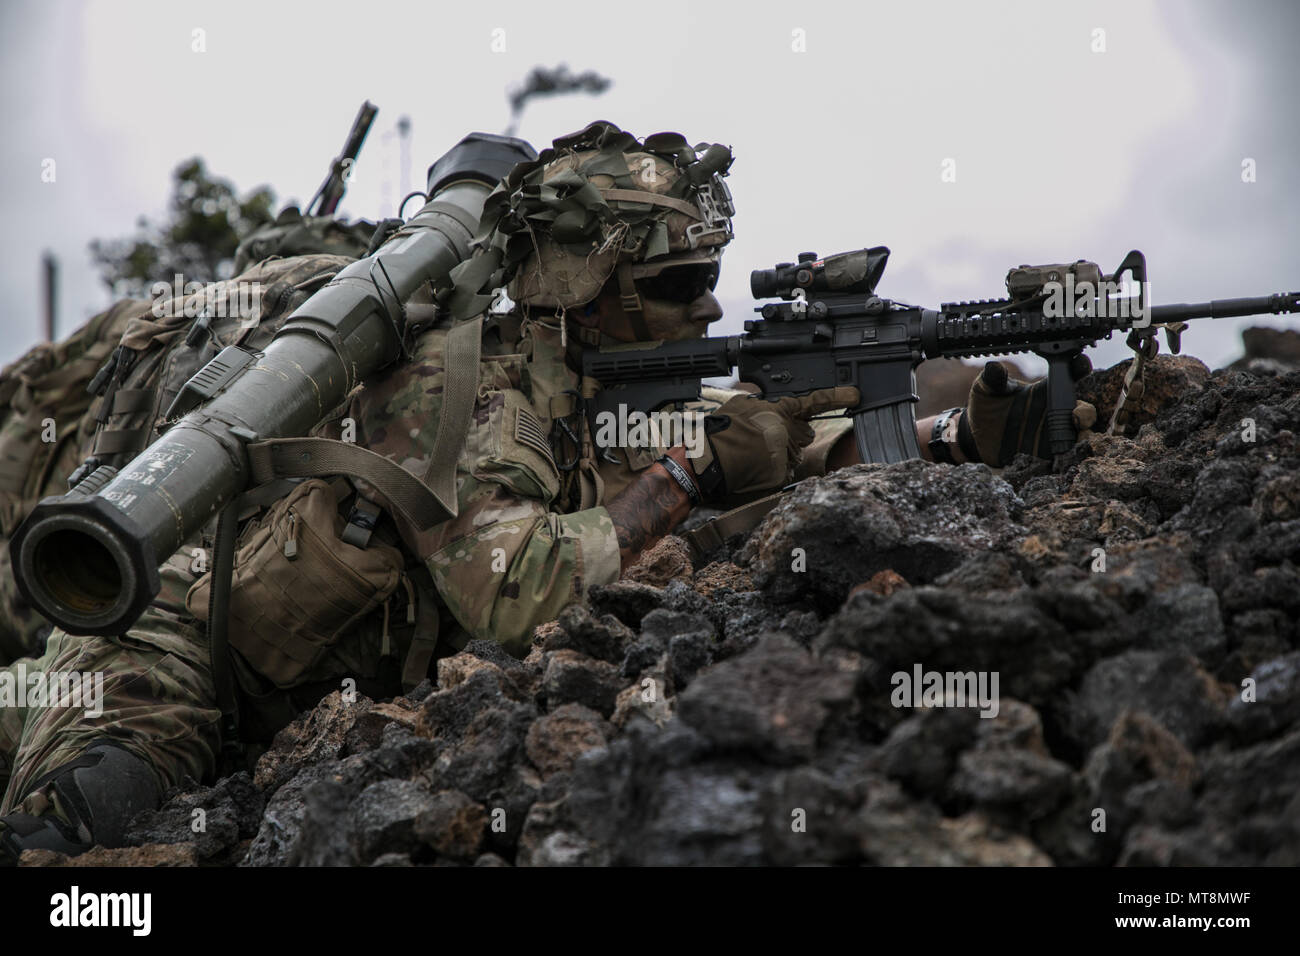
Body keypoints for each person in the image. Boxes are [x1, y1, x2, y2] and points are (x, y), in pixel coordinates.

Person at [0, 121, 1091, 861]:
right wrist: (695, 467)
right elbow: (512, 591)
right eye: (674, 285)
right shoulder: (467, 389)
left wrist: (961, 431)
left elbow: (800, 459)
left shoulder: (608, 382)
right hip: (168, 649)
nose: (706, 311)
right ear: (588, 286)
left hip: (305, 701)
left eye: (710, 278)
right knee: (89, 823)